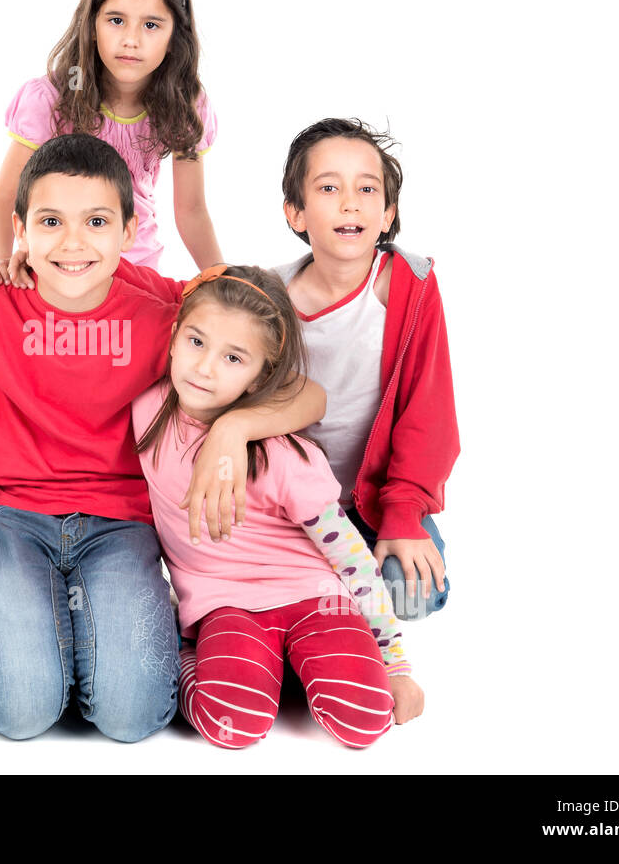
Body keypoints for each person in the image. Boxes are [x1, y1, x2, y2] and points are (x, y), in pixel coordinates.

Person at [0, 135, 326, 741]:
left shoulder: (168, 307)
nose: (73, 243)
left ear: (129, 231)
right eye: (50, 222)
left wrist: (235, 427)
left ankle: (96, 647)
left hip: (121, 523)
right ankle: (22, 648)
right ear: (20, 229)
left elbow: (307, 391)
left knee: (135, 719)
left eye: (97, 221)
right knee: (19, 714)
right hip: (9, 517)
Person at [132, 264, 421, 748]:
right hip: (225, 605)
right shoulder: (146, 414)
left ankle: (306, 667)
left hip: (313, 595)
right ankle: (212, 661)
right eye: (196, 342)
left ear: (259, 375)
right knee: (231, 725)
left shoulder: (281, 455)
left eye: (233, 358)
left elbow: (350, 554)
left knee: (365, 720)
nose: (203, 367)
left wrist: (395, 662)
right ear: (175, 336)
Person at [274, 118, 459, 619]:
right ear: (296, 213)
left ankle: (340, 612)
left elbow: (429, 414)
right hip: (288, 505)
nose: (349, 202)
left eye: (366, 189)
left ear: (387, 214)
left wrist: (402, 516)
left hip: (371, 499)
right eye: (328, 187)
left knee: (412, 591)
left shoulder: (409, 286)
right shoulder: (268, 297)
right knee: (290, 597)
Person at [0, 0, 222, 278]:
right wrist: (0, 266)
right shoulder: (52, 98)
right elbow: (5, 196)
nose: (131, 40)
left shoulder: (186, 103)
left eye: (151, 25)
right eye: (116, 20)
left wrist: (219, 275)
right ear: (92, 25)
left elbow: (192, 210)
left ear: (174, 38)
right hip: (60, 264)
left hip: (135, 271)